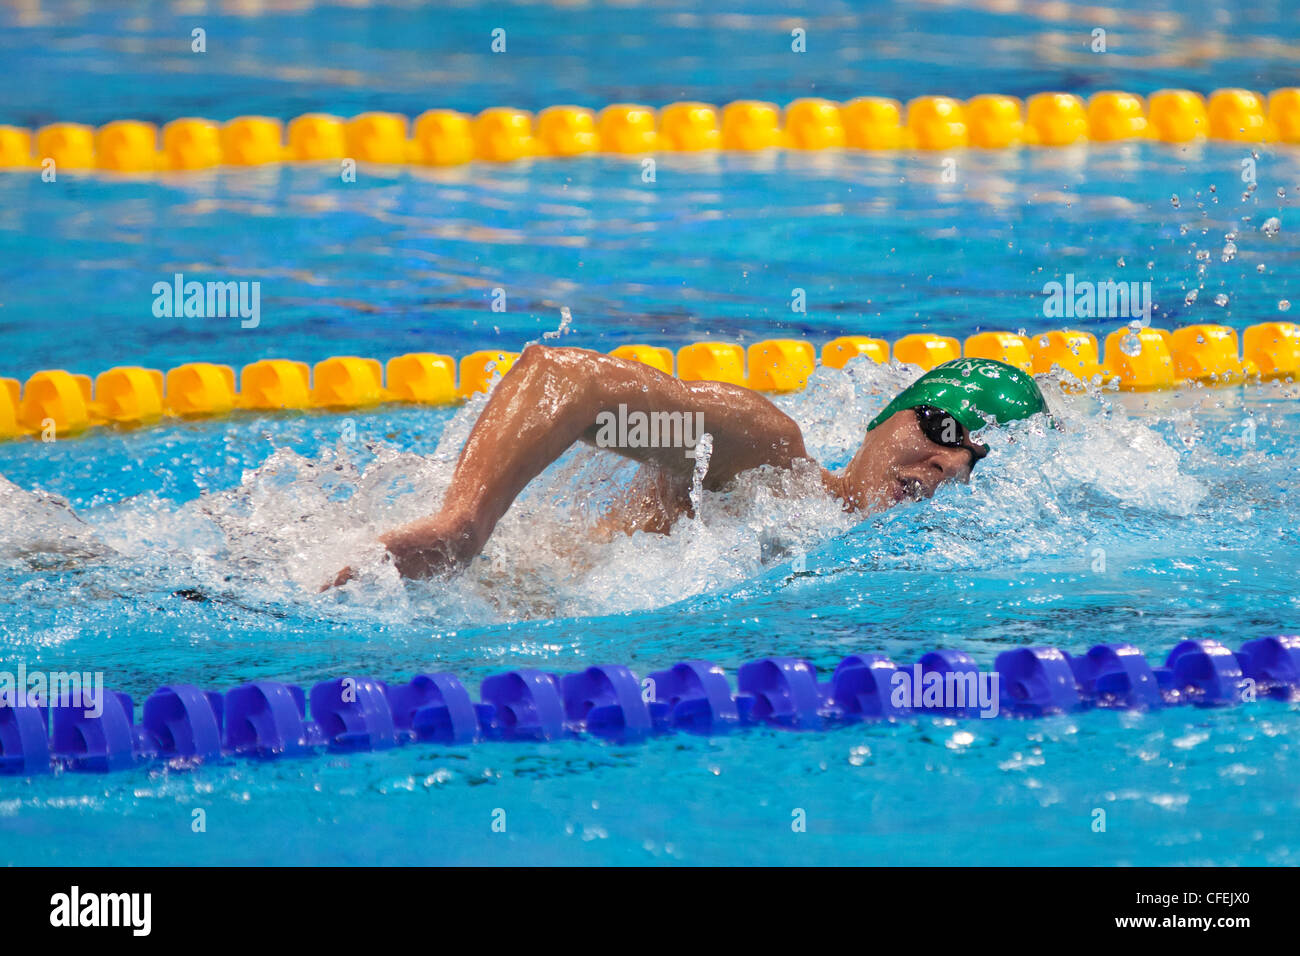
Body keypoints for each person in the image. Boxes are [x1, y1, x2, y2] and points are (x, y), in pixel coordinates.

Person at [327, 345, 1046, 586]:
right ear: (887, 416)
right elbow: (567, 379)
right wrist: (464, 523)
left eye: (971, 457)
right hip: (469, 586)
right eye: (943, 427)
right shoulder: (767, 455)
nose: (945, 461)